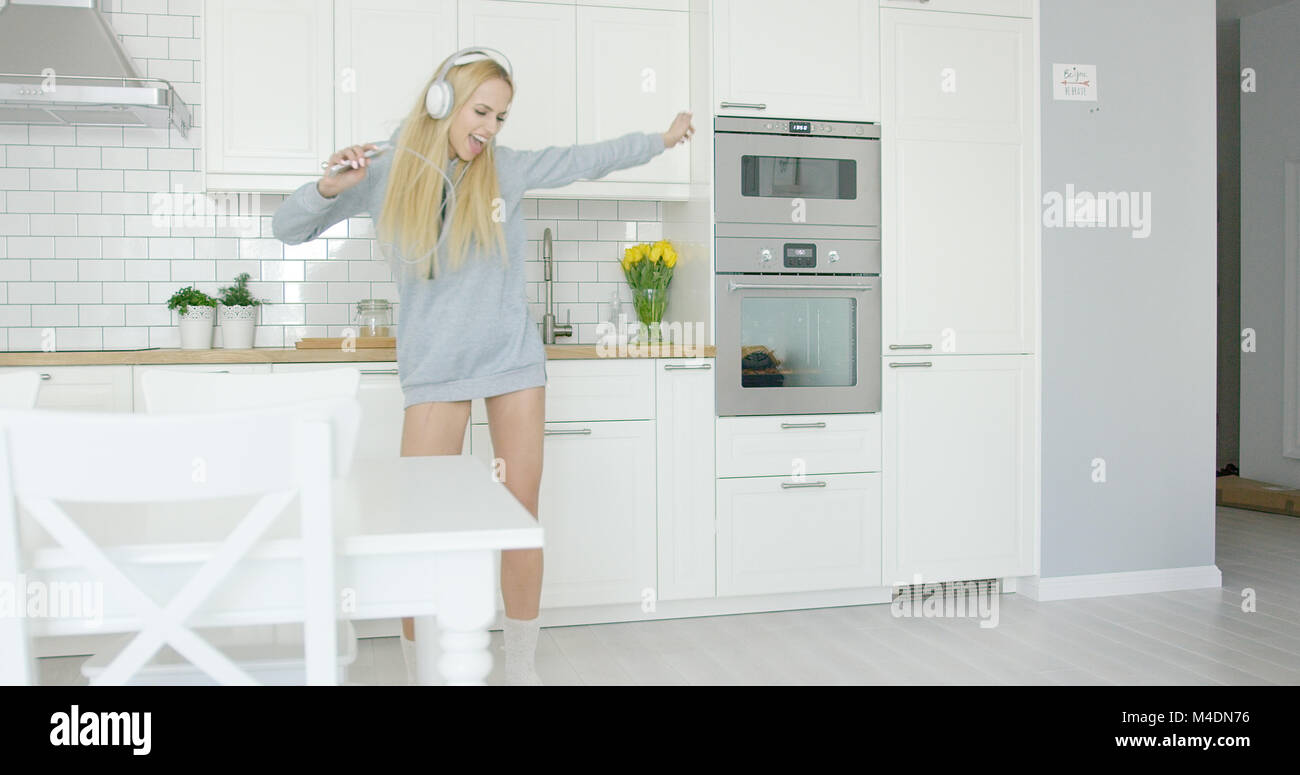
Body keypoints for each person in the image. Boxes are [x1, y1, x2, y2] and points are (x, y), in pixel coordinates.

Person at [272, 47, 694, 686]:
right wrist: (329, 186)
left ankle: (521, 670)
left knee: (519, 517)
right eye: (482, 111)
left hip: (511, 363)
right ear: (442, 101)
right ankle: (423, 673)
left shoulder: (507, 170)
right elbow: (286, 228)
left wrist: (659, 140)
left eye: (501, 116)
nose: (491, 128)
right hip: (436, 369)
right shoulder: (384, 171)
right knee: (421, 528)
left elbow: (587, 158)